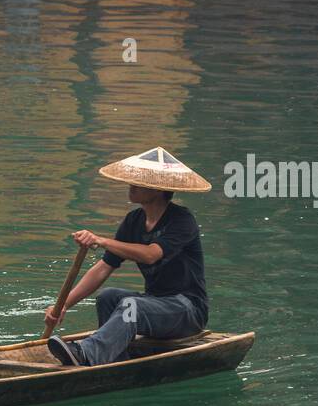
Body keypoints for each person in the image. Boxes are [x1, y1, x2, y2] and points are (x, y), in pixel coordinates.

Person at [44, 147, 212, 367]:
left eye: (140, 181)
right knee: (109, 297)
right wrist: (63, 305)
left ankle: (88, 353)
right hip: (156, 302)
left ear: (159, 189)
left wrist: (101, 240)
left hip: (187, 309)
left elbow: (151, 255)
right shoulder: (133, 220)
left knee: (132, 305)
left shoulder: (181, 219)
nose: (131, 185)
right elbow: (104, 267)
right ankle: (113, 356)